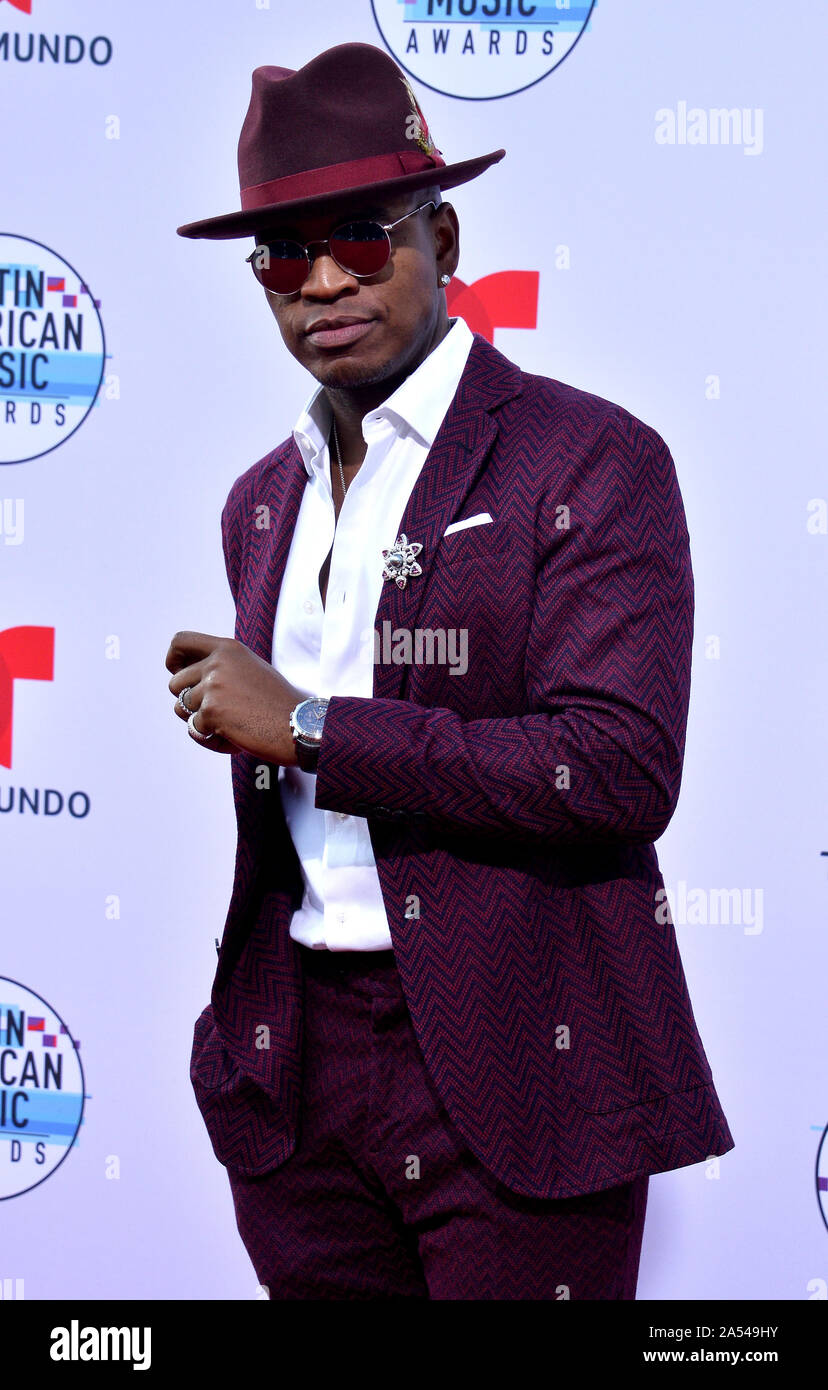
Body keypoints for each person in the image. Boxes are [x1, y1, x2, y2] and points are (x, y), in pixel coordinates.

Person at [166, 41, 734, 1300]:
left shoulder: (589, 459)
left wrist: (311, 724)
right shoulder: (260, 502)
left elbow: (619, 766)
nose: (321, 281)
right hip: (299, 1081)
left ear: (445, 235)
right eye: (280, 253)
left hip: (521, 1063)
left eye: (362, 238)